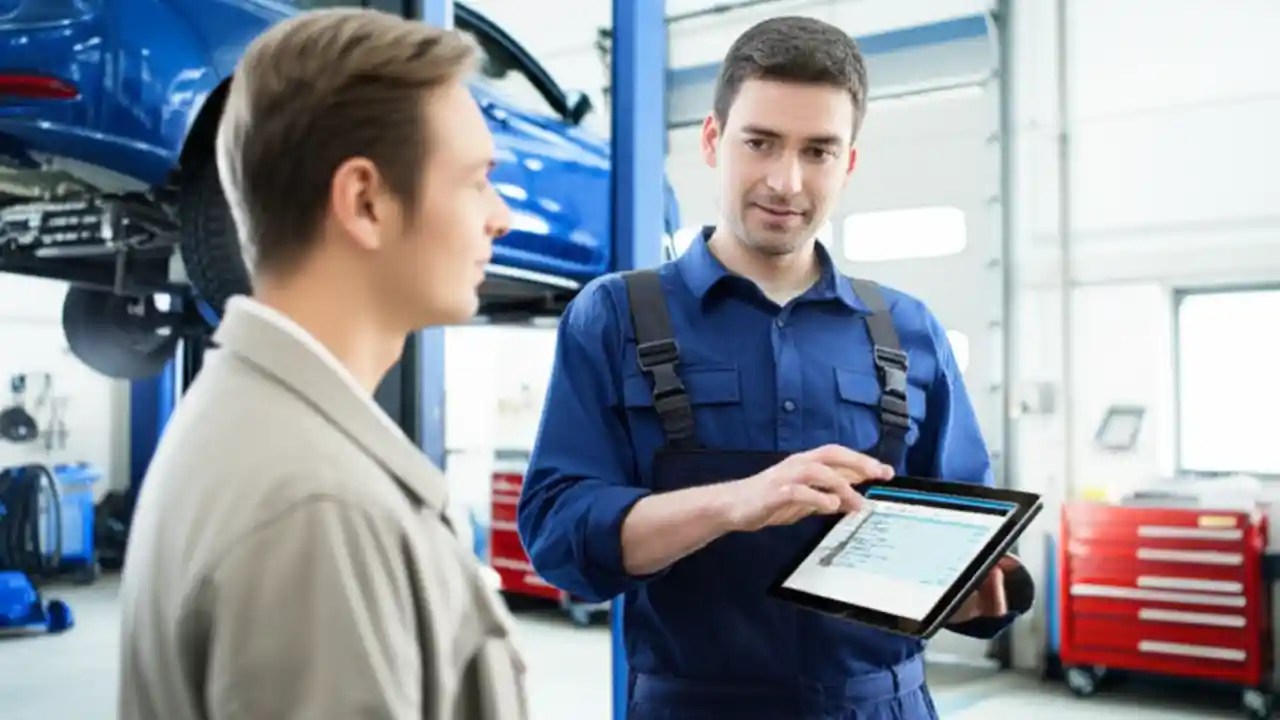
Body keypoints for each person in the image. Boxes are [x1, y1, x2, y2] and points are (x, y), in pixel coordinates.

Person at [517, 15, 1023, 720]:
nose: (787, 181)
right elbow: (558, 536)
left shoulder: (909, 329)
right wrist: (734, 503)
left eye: (818, 151)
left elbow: (963, 521)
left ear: (847, 163)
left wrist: (977, 583)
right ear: (713, 140)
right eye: (761, 143)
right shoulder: (615, 317)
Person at [116, 9, 525, 720]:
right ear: (365, 201)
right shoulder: (318, 509)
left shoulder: (258, 430)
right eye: (476, 180)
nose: (501, 217)